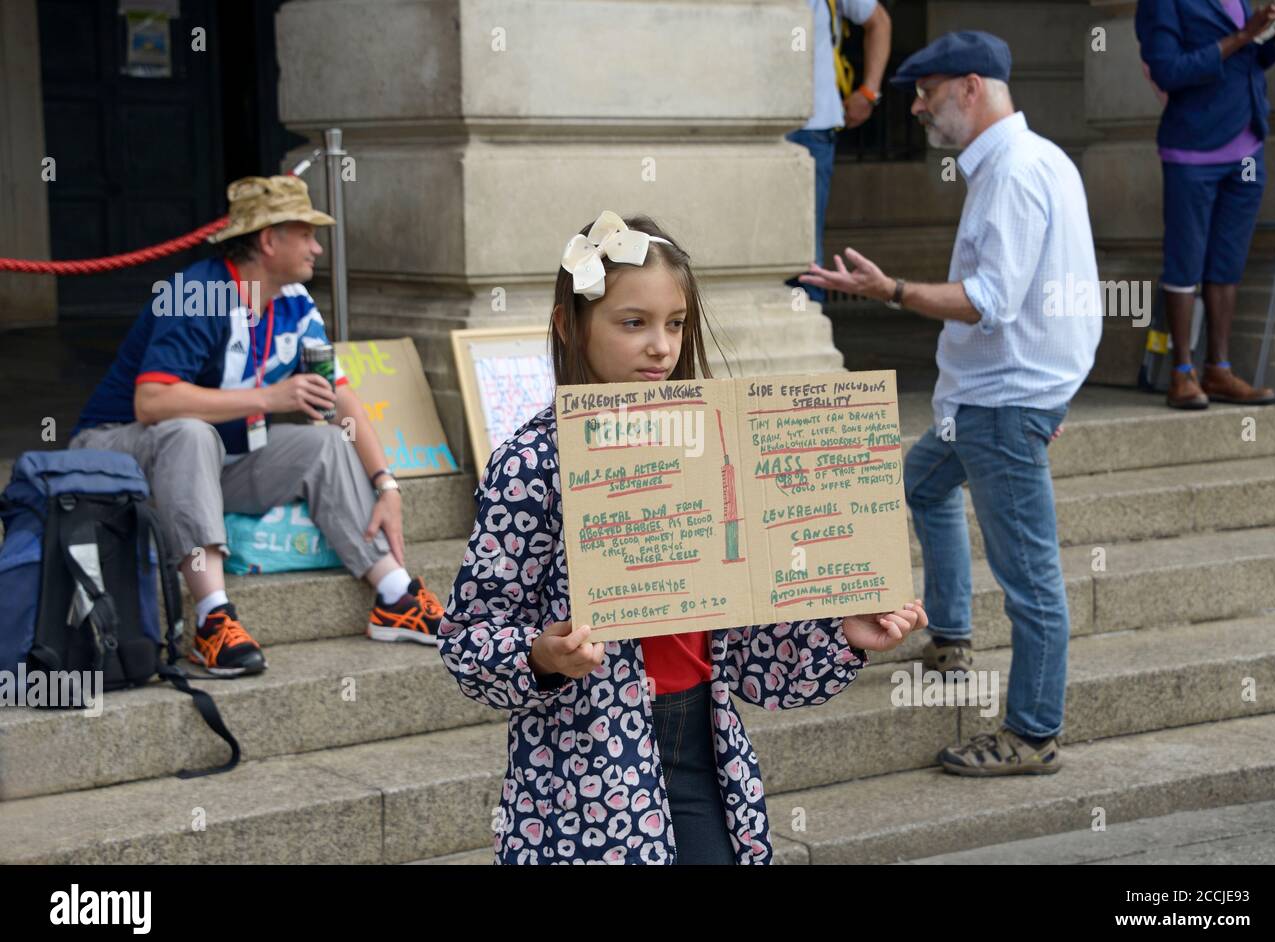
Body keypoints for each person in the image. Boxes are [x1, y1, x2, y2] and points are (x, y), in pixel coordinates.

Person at [438, 210, 927, 864]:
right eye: (632, 322)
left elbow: (754, 657)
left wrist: (840, 633)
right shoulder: (532, 463)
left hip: (705, 751)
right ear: (569, 326)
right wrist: (541, 655)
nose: (660, 347)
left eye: (675, 324)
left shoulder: (717, 447)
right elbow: (469, 638)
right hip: (584, 779)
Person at [800, 32, 1101, 776]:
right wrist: (1056, 391)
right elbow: (1070, 300)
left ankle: (1031, 733)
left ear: (970, 86)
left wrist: (889, 291)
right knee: (921, 483)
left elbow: (988, 302)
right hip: (990, 400)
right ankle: (953, 631)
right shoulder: (1039, 160)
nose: (917, 105)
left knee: (1031, 581)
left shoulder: (1011, 173)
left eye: (927, 90)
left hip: (1001, 405)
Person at [69, 175, 444, 677]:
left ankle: (395, 594)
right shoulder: (196, 293)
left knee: (327, 443)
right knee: (188, 431)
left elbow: (342, 397)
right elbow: (151, 401)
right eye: (305, 233)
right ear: (269, 240)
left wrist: (387, 483)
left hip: (212, 466)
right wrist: (270, 396)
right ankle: (212, 619)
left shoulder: (294, 302)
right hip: (118, 457)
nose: (316, 247)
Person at [1136, 0, 1275, 409]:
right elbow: (1169, 71)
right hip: (1193, 150)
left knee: (1228, 258)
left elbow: (1250, 60)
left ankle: (1218, 370)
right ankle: (1182, 373)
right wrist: (1242, 35)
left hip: (1247, 148)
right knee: (1185, 259)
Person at [788, 0, 892, 304]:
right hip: (749, 124)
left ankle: (805, 325)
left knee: (803, 243)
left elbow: (879, 21)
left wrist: (870, 92)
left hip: (811, 128)